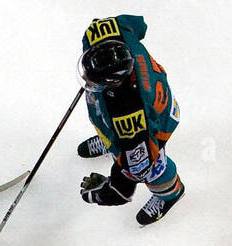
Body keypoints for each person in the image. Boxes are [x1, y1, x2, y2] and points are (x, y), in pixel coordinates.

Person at [76, 14, 184, 225]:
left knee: (153, 169)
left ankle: (170, 193)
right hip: (136, 120)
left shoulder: (129, 117)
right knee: (120, 138)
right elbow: (139, 24)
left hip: (154, 125)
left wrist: (103, 193)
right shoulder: (104, 30)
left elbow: (135, 171)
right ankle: (113, 143)